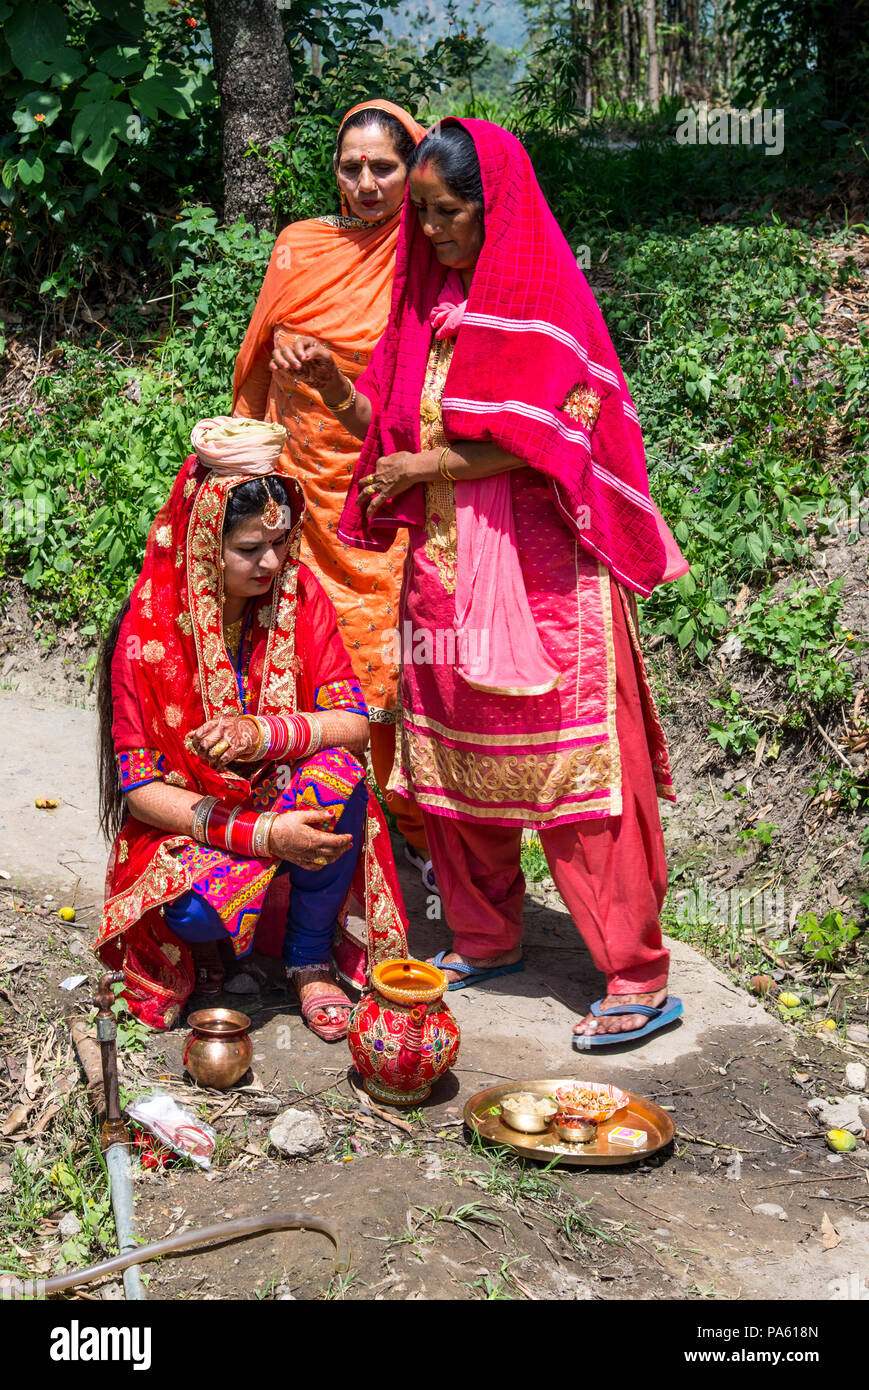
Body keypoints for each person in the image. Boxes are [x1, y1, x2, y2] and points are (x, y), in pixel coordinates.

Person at [274, 119, 690, 1049]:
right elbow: (384, 421)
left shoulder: (546, 301)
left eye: (448, 214)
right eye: (421, 217)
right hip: (442, 573)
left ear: (492, 211)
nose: (430, 233)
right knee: (453, 770)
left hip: (544, 582)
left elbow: (554, 436)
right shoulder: (424, 307)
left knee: (576, 776)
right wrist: (329, 388)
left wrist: (425, 470)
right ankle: (486, 937)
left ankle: (635, 972)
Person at [94, 417, 407, 1041]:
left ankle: (308, 956)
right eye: (247, 549)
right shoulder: (147, 630)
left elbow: (351, 723)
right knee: (188, 908)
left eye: (281, 542)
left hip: (282, 786)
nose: (270, 562)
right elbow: (139, 790)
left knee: (341, 777)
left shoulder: (299, 595)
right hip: (195, 819)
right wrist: (264, 834)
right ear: (207, 543)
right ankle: (208, 950)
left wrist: (263, 736)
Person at [232, 100, 436, 891]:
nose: (365, 182)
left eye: (382, 166)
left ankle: (407, 830)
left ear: (412, 169)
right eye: (350, 166)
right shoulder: (301, 246)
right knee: (304, 651)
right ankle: (309, 829)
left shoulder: (430, 254)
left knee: (391, 660)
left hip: (389, 488)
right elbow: (253, 359)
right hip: (297, 492)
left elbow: (431, 379)